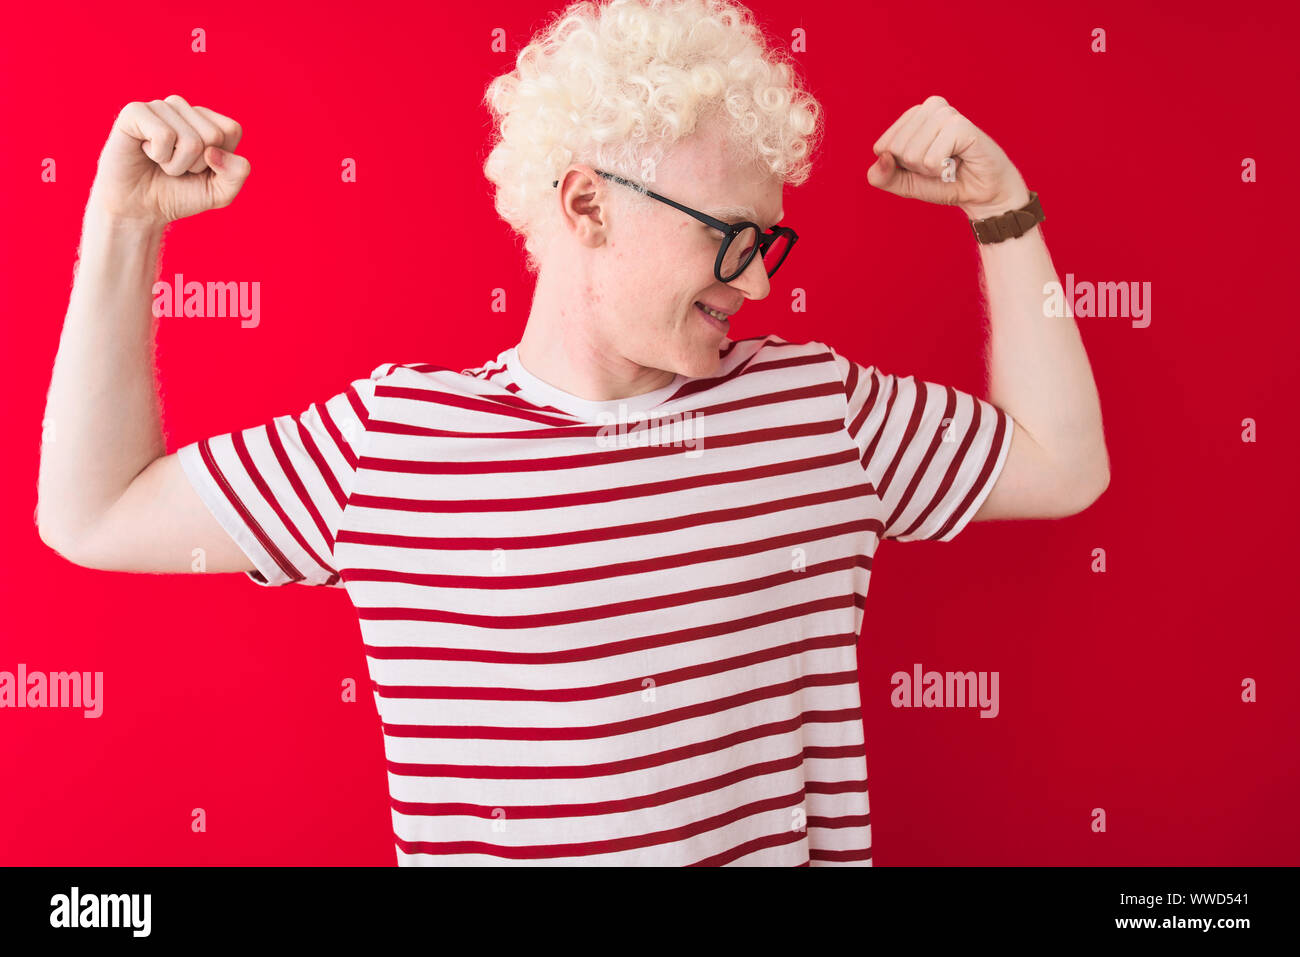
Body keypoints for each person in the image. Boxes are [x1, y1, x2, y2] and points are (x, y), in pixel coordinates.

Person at [37, 0, 1108, 866]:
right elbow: (93, 513)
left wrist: (1003, 214)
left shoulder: (818, 413)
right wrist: (125, 230)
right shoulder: (392, 445)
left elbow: (1064, 466)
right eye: (730, 238)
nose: (754, 280)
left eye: (767, 241)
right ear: (588, 206)